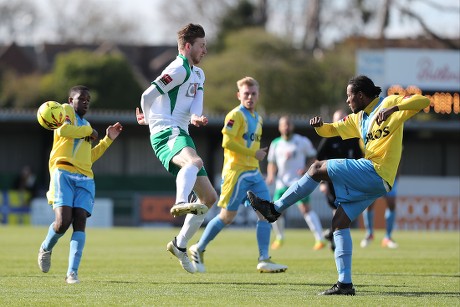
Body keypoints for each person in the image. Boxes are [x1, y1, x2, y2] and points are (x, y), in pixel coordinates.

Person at [247, 75, 430, 295]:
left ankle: (273, 209)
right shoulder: (359, 118)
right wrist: (319, 126)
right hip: (378, 181)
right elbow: (331, 130)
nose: (347, 101)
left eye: (349, 96)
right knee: (339, 222)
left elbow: (423, 101)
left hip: (375, 171)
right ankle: (345, 284)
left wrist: (394, 109)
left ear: (360, 95)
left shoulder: (388, 104)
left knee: (316, 169)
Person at [135, 23, 218, 274]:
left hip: (182, 132)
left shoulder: (199, 74)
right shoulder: (177, 68)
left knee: (209, 198)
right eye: (202, 46)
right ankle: (181, 200)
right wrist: (150, 121)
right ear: (189, 46)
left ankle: (179, 245)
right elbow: (147, 95)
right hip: (166, 131)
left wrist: (196, 118)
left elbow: (195, 107)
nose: (205, 50)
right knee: (194, 163)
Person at [188, 76, 287, 273]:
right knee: (227, 217)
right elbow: (227, 143)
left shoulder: (257, 118)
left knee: (267, 213)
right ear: (239, 95)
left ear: (258, 96)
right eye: (246, 94)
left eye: (253, 94)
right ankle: (198, 248)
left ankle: (264, 258)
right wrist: (254, 154)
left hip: (254, 174)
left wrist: (255, 159)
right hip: (236, 174)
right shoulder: (235, 115)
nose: (250, 97)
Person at [37, 85, 123, 284]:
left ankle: (72, 273)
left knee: (80, 221)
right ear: (70, 100)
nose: (85, 102)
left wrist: (107, 140)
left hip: (85, 177)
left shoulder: (86, 124)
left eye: (88, 100)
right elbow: (65, 130)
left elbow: (88, 157)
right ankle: (46, 248)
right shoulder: (65, 113)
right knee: (62, 222)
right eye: (81, 99)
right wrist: (89, 131)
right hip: (63, 172)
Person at [266, 115, 326, 251]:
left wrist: (305, 169)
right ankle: (279, 237)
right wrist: (270, 175)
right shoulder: (275, 144)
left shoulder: (302, 141)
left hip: (298, 182)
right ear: (279, 127)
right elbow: (271, 163)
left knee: (306, 209)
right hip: (282, 183)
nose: (286, 127)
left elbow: (313, 158)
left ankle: (320, 239)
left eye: (288, 124)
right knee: (275, 210)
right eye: (283, 124)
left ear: (292, 126)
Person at [316, 109, 364, 251]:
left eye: (342, 119)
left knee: (345, 211)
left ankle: (332, 233)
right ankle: (335, 240)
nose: (340, 122)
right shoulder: (328, 138)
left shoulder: (353, 138)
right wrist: (323, 182)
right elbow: (319, 158)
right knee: (337, 209)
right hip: (331, 180)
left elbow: (359, 158)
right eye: (337, 119)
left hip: (348, 181)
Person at [360, 170, 400, 249]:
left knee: (391, 204)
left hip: (389, 176)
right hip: (373, 176)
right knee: (369, 203)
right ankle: (369, 234)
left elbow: (399, 161)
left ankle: (388, 237)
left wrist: (396, 177)